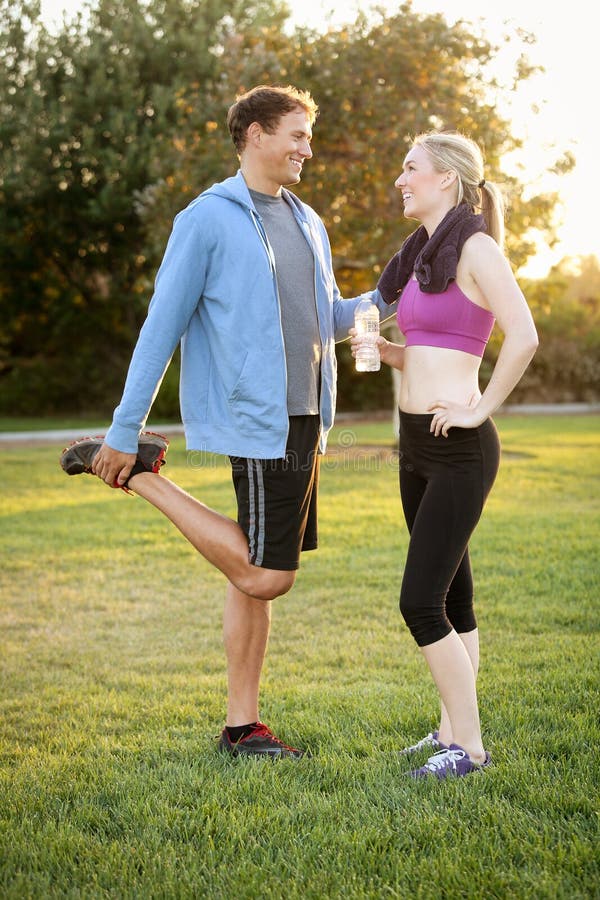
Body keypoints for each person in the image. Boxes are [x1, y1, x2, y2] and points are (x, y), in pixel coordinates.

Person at [60, 84, 392, 759]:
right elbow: (162, 327)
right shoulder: (206, 219)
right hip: (258, 418)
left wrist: (392, 291)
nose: (307, 147)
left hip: (306, 417)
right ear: (255, 134)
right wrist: (127, 432)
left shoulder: (308, 221)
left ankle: (243, 728)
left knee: (251, 568)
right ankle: (142, 475)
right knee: (269, 574)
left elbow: (328, 320)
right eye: (296, 134)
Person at [352, 131, 538, 779]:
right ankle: (447, 731)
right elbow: (423, 353)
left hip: (460, 449)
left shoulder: (478, 248)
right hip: (414, 447)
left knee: (420, 602)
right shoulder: (419, 258)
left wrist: (481, 408)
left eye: (410, 168)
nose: (400, 178)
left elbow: (524, 335)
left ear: (447, 181)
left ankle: (472, 749)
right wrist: (374, 347)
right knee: (454, 602)